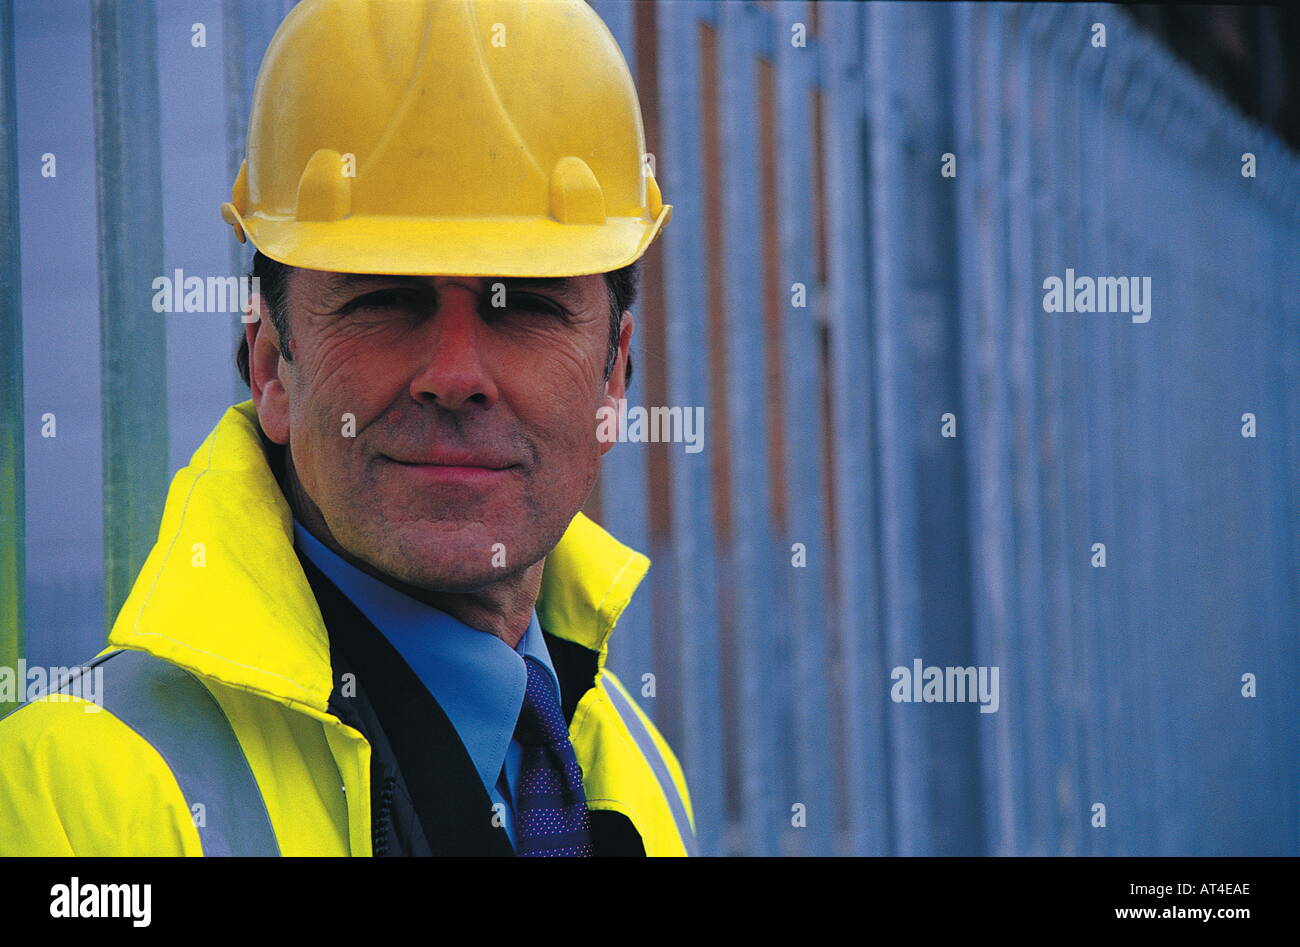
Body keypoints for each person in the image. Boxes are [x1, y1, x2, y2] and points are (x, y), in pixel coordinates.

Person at [0, 0, 695, 857]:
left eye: (524, 307)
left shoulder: (633, 767)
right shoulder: (75, 802)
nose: (454, 377)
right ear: (270, 368)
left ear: (614, 375)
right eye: (385, 299)